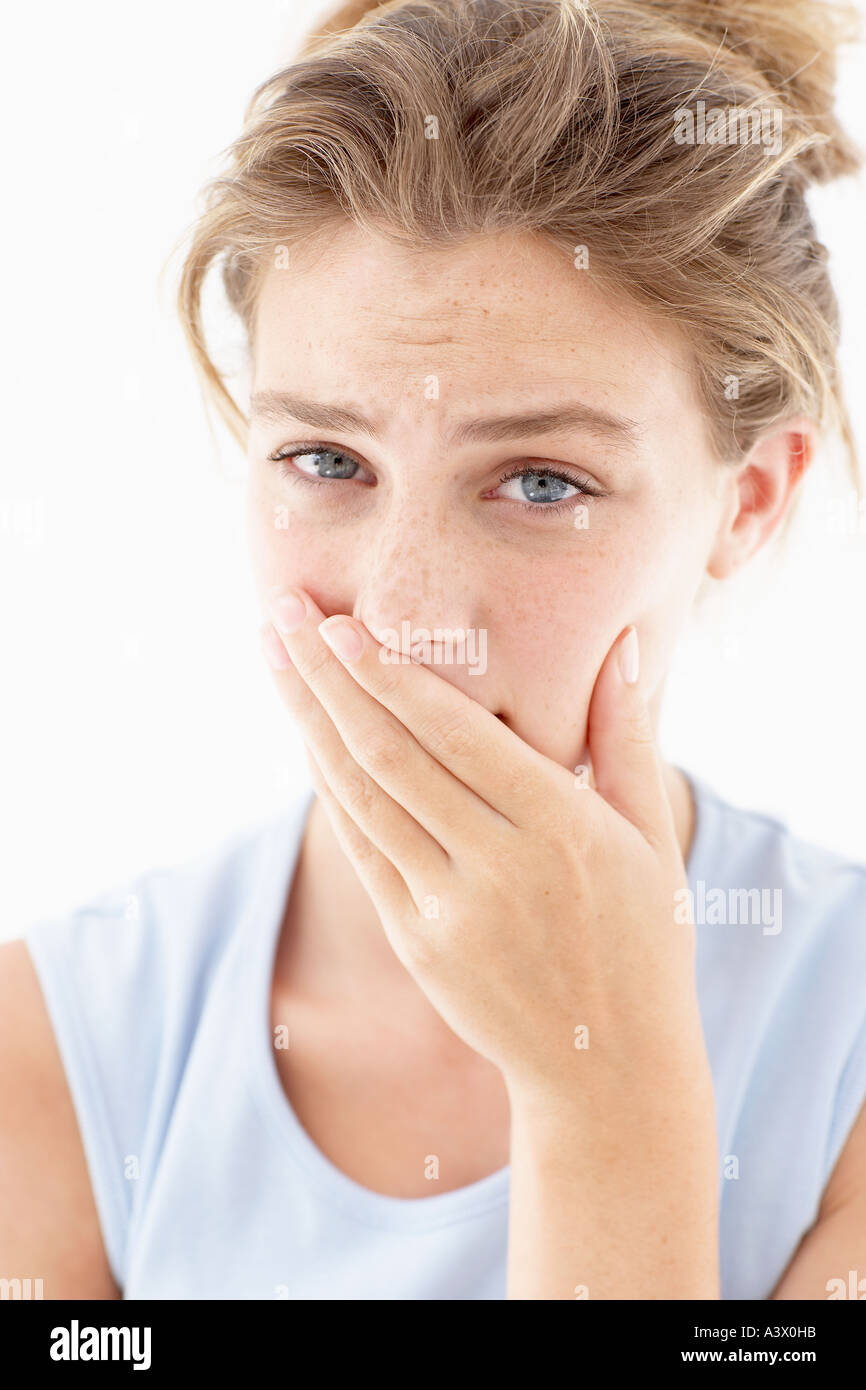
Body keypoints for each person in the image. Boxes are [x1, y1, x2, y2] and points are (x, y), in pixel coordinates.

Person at [2, 0, 865, 1301]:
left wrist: (606, 1095)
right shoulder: (57, 1055)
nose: (404, 614)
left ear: (745, 501)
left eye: (537, 482)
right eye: (325, 459)